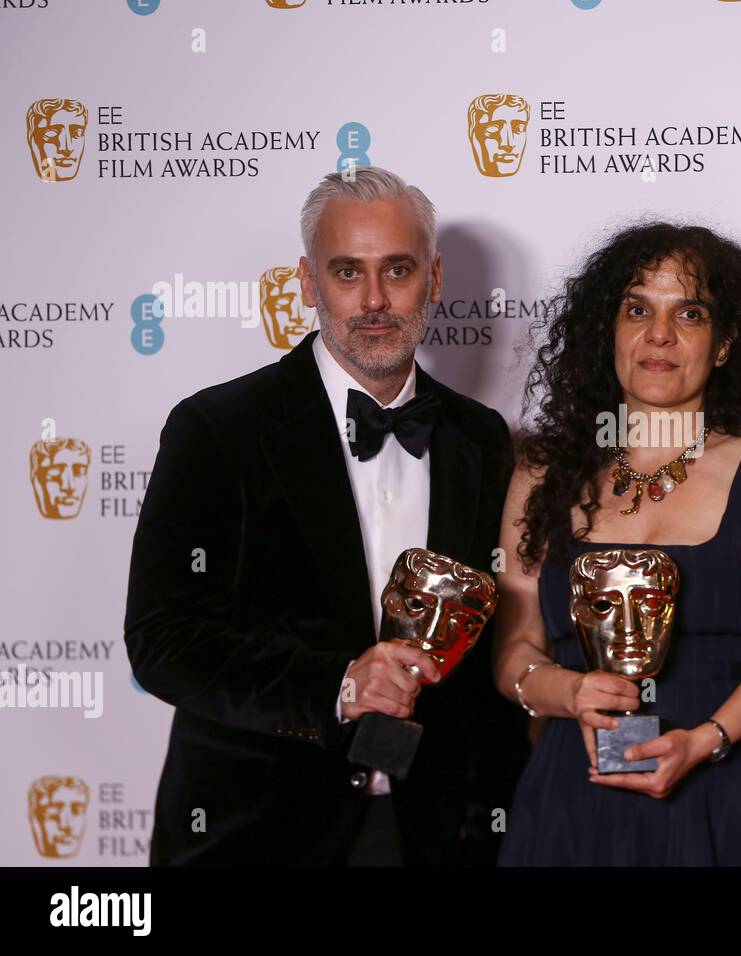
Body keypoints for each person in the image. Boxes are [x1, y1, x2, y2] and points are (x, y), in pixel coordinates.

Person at [124, 166, 527, 865]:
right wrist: (337, 685)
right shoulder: (218, 429)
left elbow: (493, 641)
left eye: (397, 270)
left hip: (433, 837)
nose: (374, 300)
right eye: (347, 272)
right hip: (258, 837)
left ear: (433, 277)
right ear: (308, 284)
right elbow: (163, 641)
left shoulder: (480, 436)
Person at [492, 222, 741, 865]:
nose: (660, 335)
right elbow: (513, 650)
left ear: (725, 343)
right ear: (608, 330)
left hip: (730, 790)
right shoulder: (541, 471)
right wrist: (567, 691)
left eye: (690, 313)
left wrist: (705, 741)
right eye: (637, 309)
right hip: (574, 795)